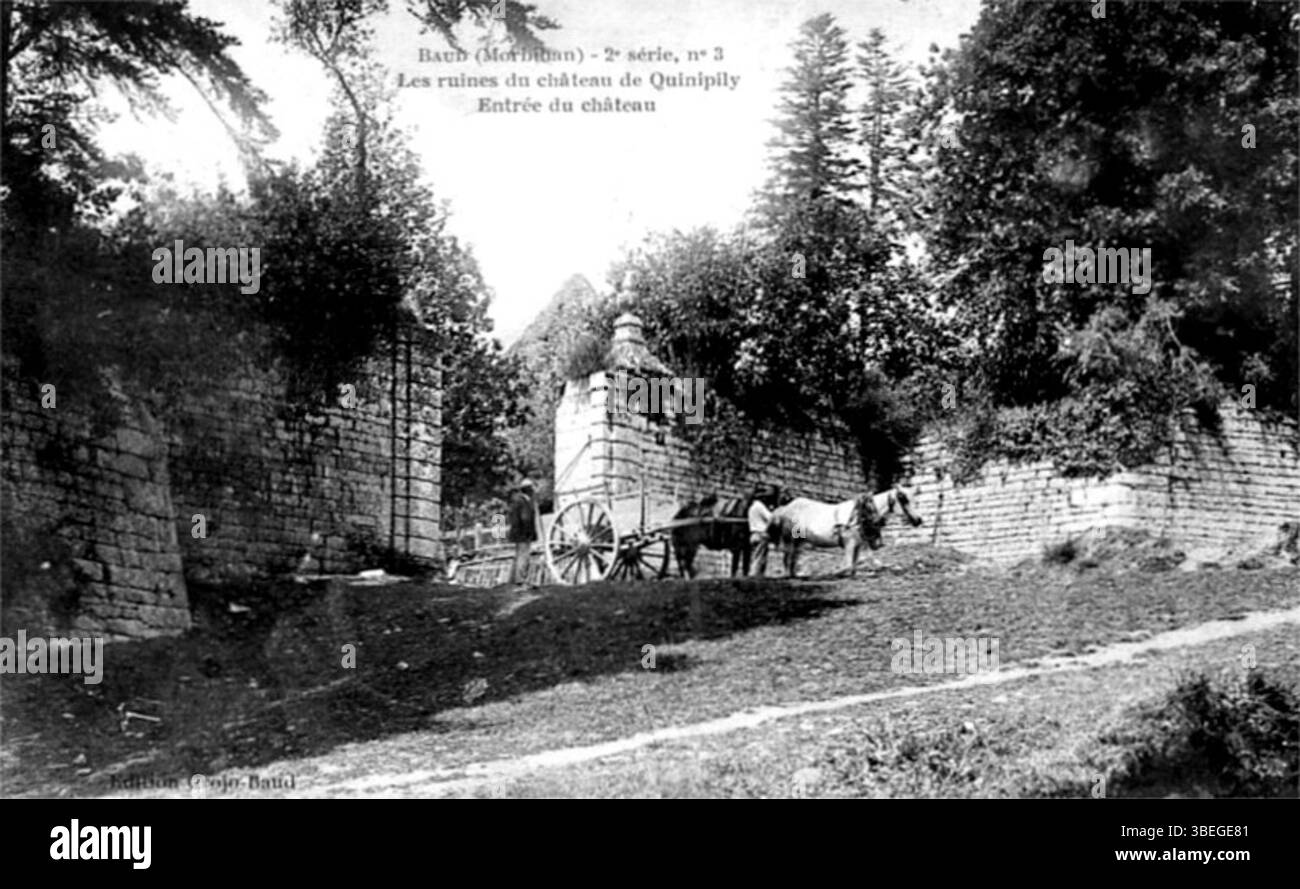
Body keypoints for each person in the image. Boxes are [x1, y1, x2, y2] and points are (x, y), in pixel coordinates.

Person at [506, 477, 538, 586]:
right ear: (528, 490)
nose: (533, 491)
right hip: (522, 533)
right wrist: (528, 532)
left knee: (522, 556)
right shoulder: (521, 501)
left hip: (522, 533)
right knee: (523, 556)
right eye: (532, 489)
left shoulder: (522, 500)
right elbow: (525, 518)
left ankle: (521, 579)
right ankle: (521, 580)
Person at [748, 484, 775, 577]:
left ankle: (755, 575)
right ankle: (755, 575)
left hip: (753, 534)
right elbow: (770, 518)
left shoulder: (751, 508)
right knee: (760, 557)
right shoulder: (760, 506)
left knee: (755, 556)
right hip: (761, 534)